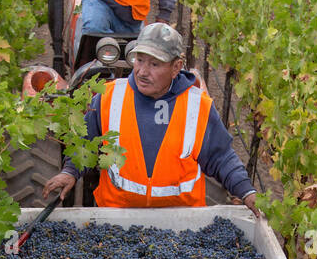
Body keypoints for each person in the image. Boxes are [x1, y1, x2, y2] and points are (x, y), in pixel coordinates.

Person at [41, 23, 261, 216]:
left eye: (154, 64)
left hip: (183, 224)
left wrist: (247, 191)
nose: (142, 71)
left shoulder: (198, 105)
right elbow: (85, 144)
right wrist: (70, 172)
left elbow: (221, 157)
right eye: (139, 60)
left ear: (176, 67)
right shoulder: (108, 98)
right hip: (115, 218)